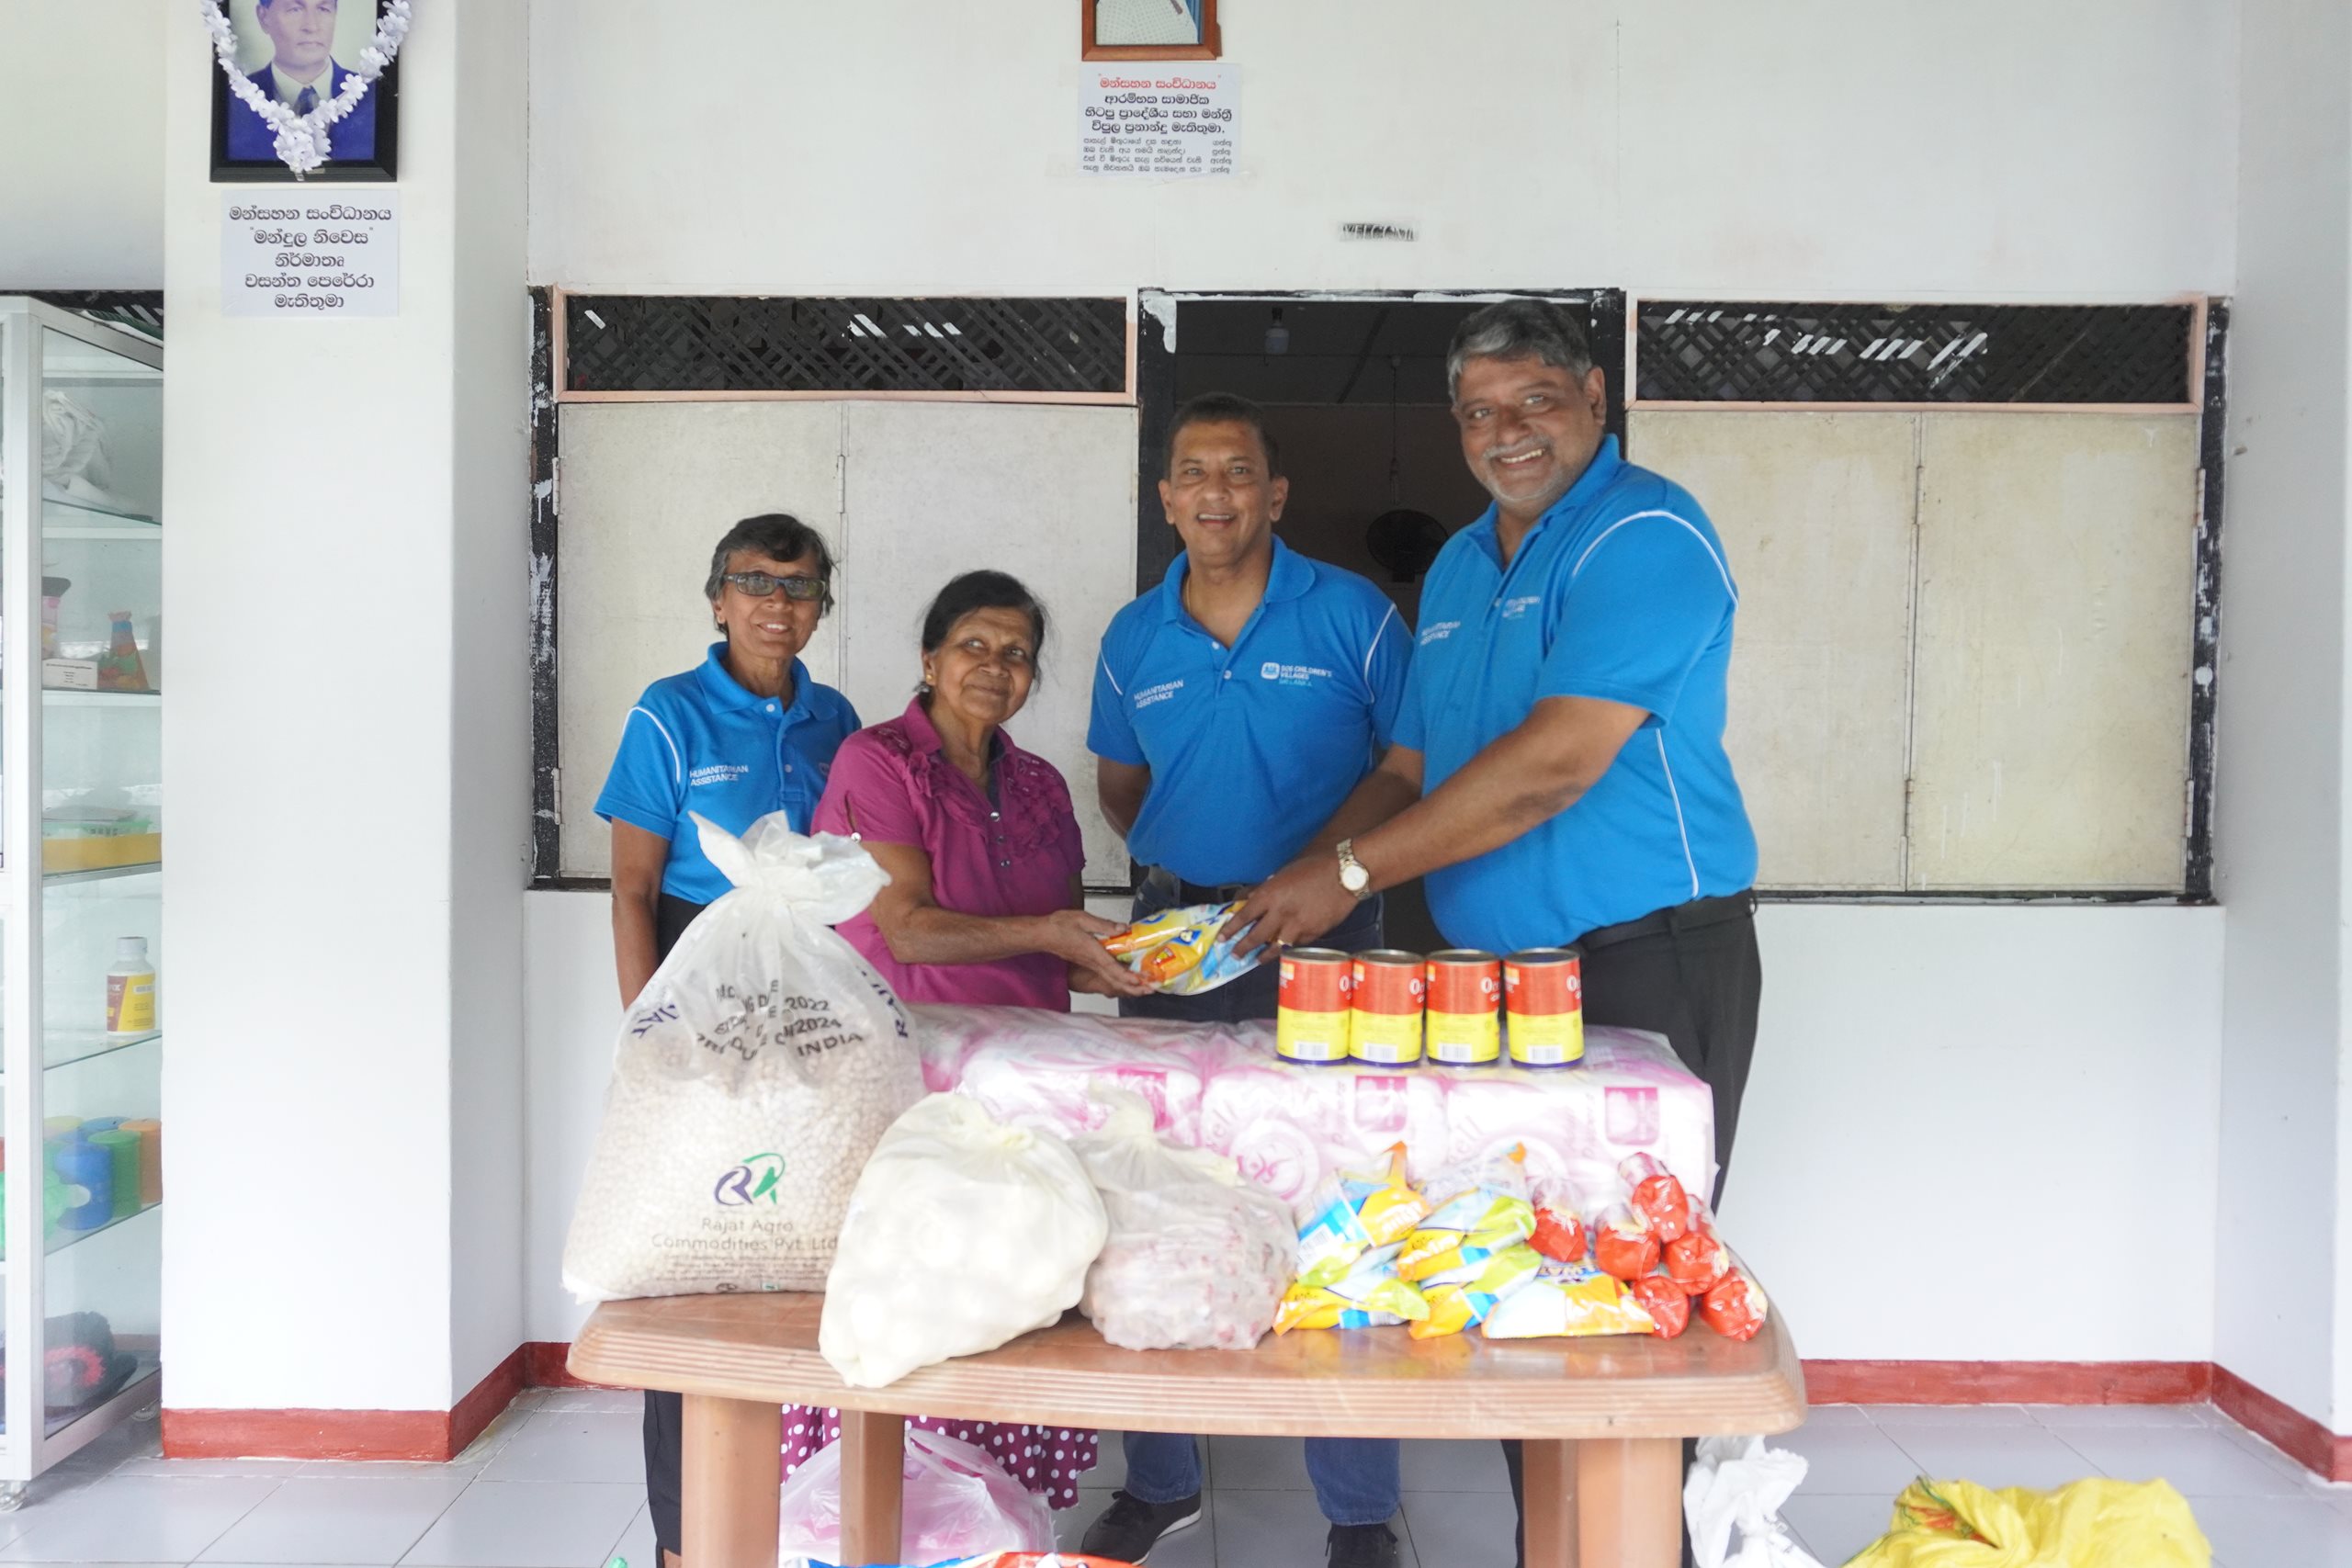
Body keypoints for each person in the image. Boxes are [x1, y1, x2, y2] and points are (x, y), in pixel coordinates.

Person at [1238, 299, 1762, 1568]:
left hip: (1650, 955)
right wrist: (1299, 877)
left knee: (1631, 1298)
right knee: (1523, 1280)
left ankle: (1644, 1550)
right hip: (1498, 990)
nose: (1507, 433)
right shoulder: (1467, 565)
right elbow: (1417, 760)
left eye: (1534, 400)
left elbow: (1550, 766)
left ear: (1593, 392)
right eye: (1479, 413)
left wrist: (1350, 869)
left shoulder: (1646, 533)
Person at [1080, 393, 1413, 1568]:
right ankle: (1161, 1480)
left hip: (1326, 938)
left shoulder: (1355, 614)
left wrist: (1318, 870)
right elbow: (1122, 787)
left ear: (1275, 494)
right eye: (1191, 473)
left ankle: (1359, 1511)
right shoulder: (1134, 637)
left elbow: (1407, 766)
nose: (1213, 491)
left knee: (1338, 1199)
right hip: (1177, 939)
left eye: (1237, 471)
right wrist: (1195, 880)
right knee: (1153, 1195)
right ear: (1166, 498)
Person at [765, 572, 1147, 1516]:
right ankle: (885, 1512)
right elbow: (908, 929)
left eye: (1017, 654)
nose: (996, 666)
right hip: (911, 1083)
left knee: (1015, 1291)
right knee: (916, 1297)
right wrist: (1056, 934)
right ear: (930, 660)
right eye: (975, 645)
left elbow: (1057, 939)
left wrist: (1133, 966)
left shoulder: (1040, 784)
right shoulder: (878, 761)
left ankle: (999, 1512)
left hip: (1028, 1086)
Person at [594, 512, 861, 1568]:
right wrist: (648, 1039)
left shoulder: (835, 715)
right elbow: (630, 887)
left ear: (819, 608)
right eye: (754, 583)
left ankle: (797, 1517)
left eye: (797, 588)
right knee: (691, 1257)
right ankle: (680, 1538)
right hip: (696, 1002)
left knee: (801, 1246)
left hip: (811, 1009)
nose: (776, 605)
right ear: (717, 599)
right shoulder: (669, 715)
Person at [225, 0, 379, 163]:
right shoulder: (234, 98)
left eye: (323, 9)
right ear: (264, 17)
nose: (311, 27)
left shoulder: (372, 95)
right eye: (295, 9)